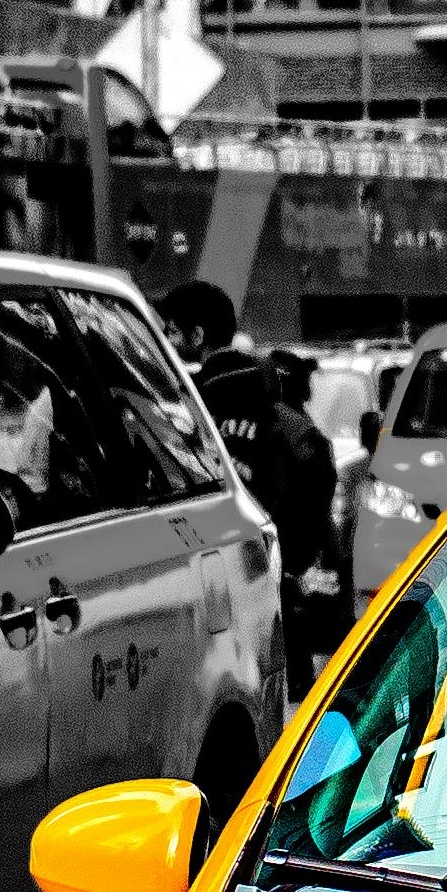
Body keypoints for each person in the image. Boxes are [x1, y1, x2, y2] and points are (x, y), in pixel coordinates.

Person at [166, 281, 340, 656]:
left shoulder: (191, 403)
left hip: (222, 574)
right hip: (281, 572)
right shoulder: (276, 388)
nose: (167, 340)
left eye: (172, 331)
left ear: (197, 336)